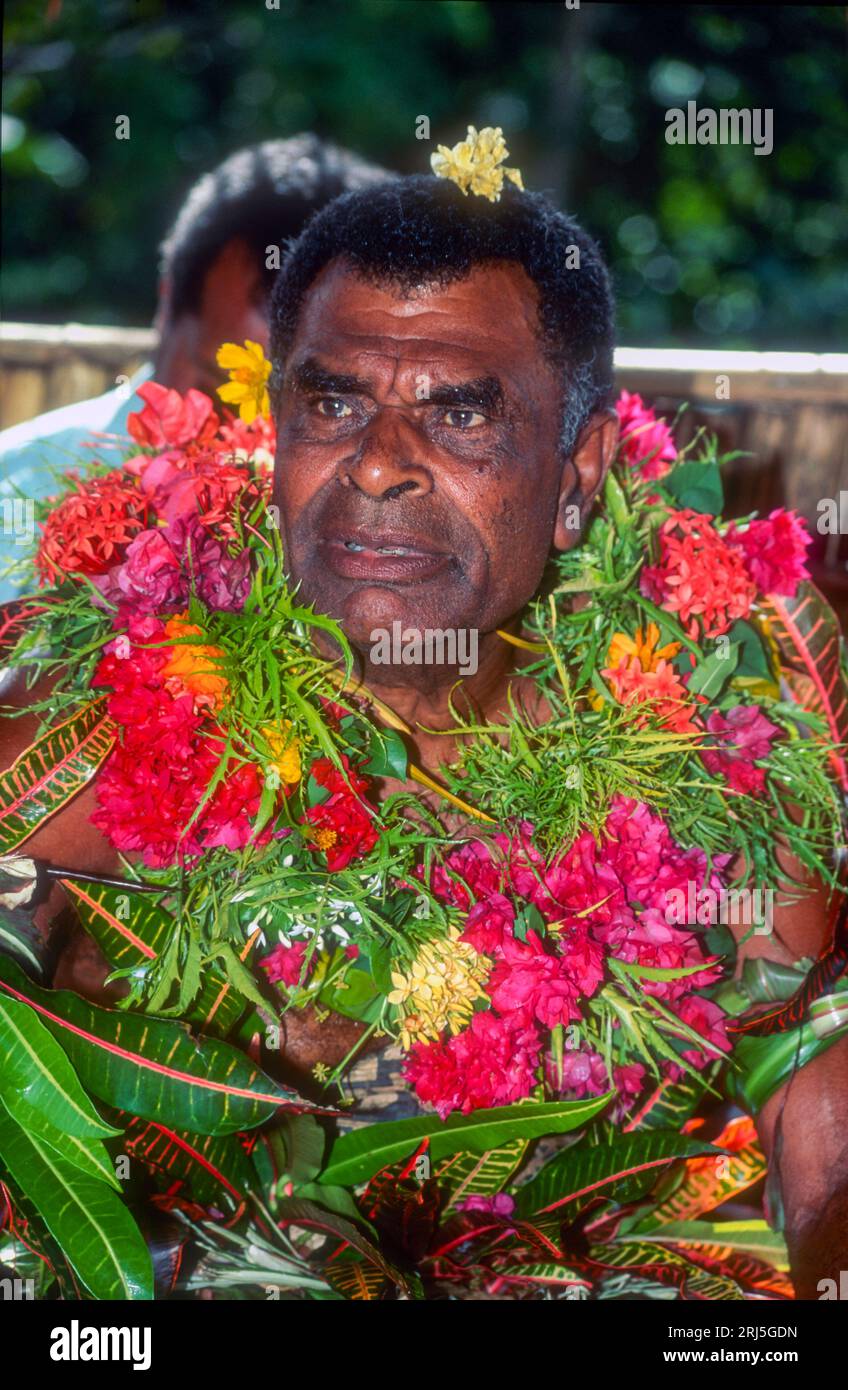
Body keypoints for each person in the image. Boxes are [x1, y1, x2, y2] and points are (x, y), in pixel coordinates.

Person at [1, 171, 845, 1298]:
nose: (377, 461)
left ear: (575, 476)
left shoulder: (713, 761)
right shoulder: (98, 730)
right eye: (334, 402)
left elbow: (812, 1099)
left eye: (459, 411)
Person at [0, 135, 389, 602]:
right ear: (166, 306)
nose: (252, 439)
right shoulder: (18, 491)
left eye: (328, 406)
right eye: (223, 392)